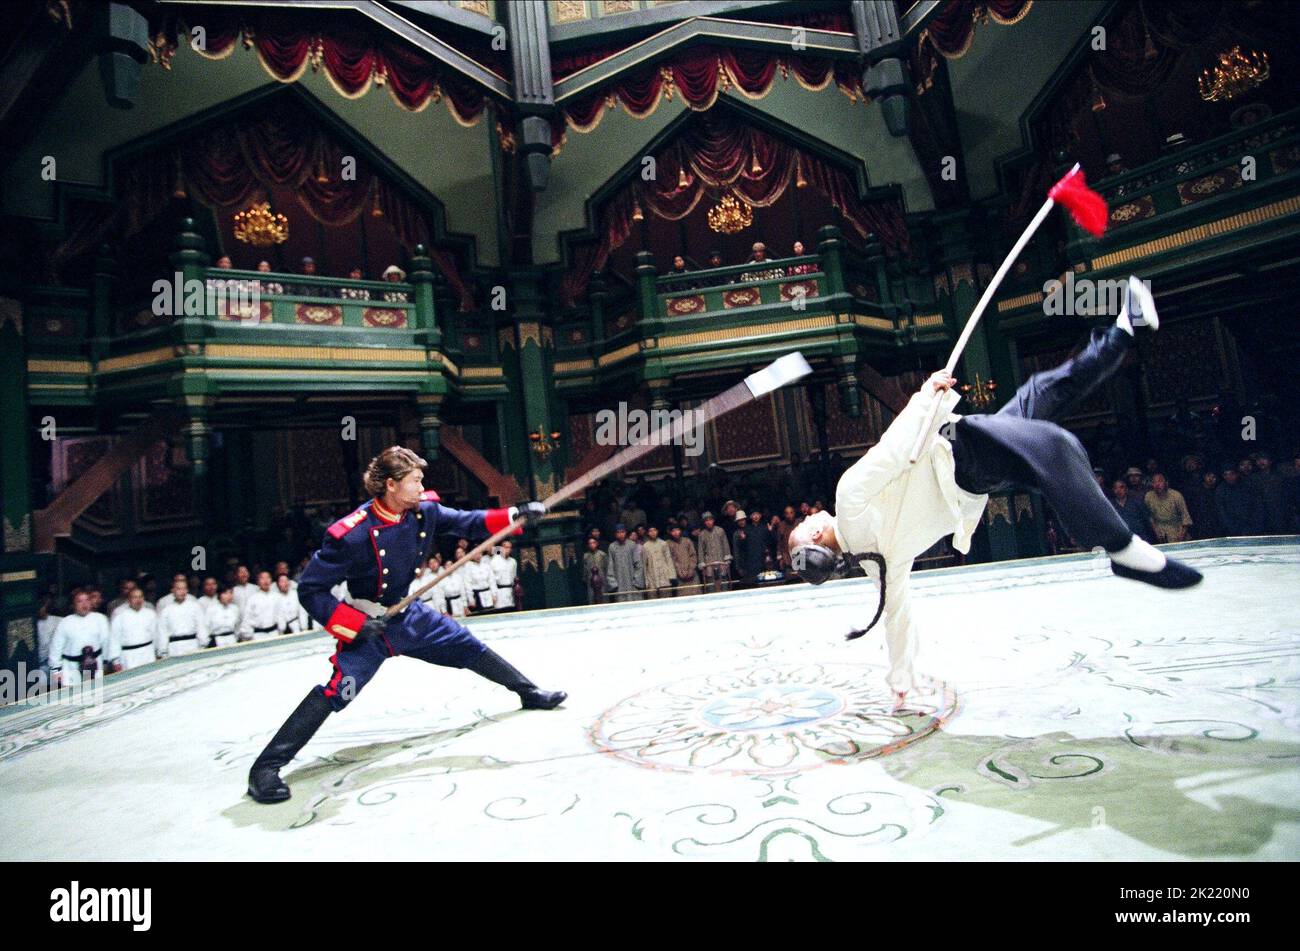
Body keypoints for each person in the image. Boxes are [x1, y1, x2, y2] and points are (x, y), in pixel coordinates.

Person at [788, 276, 1201, 710]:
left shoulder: (877, 564)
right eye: (805, 523)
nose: (810, 515)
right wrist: (925, 396)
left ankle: (1124, 328)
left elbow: (898, 616)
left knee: (1042, 392)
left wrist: (901, 678)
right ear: (816, 536)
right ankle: (1122, 548)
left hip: (973, 478)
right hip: (961, 453)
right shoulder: (848, 498)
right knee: (1053, 445)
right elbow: (893, 451)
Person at [246, 446, 560, 804]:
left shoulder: (424, 512)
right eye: (415, 480)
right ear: (392, 485)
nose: (422, 487)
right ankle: (265, 770)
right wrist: (352, 625)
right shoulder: (351, 534)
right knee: (340, 691)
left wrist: (516, 514)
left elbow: (468, 522)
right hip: (368, 626)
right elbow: (311, 590)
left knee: (467, 645)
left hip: (409, 616)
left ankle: (528, 692)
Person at [49, 590, 115, 687]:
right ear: (73, 605)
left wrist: (106, 661)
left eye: (87, 600)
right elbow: (56, 648)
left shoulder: (100, 619)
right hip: (72, 667)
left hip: (96, 665)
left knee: (97, 691)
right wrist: (56, 670)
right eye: (80, 601)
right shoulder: (65, 623)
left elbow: (106, 642)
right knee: (74, 694)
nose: (84, 604)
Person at [157, 578, 208, 658]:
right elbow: (163, 631)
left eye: (184, 589)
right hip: (174, 647)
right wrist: (163, 649)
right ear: (173, 591)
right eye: (179, 589)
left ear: (187, 590)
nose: (182, 592)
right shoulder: (166, 610)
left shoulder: (195, 606)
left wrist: (203, 642)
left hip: (192, 644)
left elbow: (200, 625)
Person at [109, 587, 158, 670]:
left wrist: (158, 651)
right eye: (135, 597)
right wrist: (115, 660)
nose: (138, 600)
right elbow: (114, 638)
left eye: (140, 597)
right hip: (129, 656)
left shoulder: (150, 614)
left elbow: (156, 634)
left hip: (148, 653)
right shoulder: (120, 616)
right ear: (129, 600)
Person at [1144, 473, 1192, 543]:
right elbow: (1149, 516)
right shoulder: (1148, 496)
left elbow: (1186, 519)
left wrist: (1181, 538)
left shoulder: (1176, 496)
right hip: (1159, 533)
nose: (1157, 484)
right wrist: (1156, 531)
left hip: (1177, 531)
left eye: (1160, 481)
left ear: (1166, 482)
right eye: (1154, 482)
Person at [606, 524, 644, 602]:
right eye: (618, 532)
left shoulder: (632, 545)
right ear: (615, 534)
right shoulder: (612, 547)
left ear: (625, 533)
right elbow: (610, 566)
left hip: (632, 582)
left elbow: (638, 564)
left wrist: (636, 582)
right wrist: (613, 584)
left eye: (622, 532)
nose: (621, 534)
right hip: (619, 583)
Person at [696, 511, 731, 591]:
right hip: (709, 564)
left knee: (724, 585)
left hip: (721, 561)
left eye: (710, 520)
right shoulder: (702, 534)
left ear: (713, 520)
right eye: (706, 520)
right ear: (704, 522)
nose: (709, 522)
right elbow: (700, 550)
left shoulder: (720, 530)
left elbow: (725, 545)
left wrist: (727, 560)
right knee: (711, 587)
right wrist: (702, 564)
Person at [240, 571, 281, 640]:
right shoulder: (252, 599)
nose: (265, 580)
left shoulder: (276, 596)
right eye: (262, 578)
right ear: (258, 582)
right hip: (258, 635)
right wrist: (248, 634)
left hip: (274, 632)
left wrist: (281, 629)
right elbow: (247, 618)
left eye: (268, 578)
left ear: (271, 580)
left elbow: (280, 615)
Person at [641, 525, 677, 599]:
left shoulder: (663, 543)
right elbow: (644, 565)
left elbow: (669, 560)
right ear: (648, 533)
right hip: (652, 576)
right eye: (650, 531)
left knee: (666, 598)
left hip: (664, 575)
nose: (653, 533)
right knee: (653, 599)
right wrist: (646, 580)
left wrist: (671, 575)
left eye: (654, 530)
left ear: (657, 531)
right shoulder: (645, 546)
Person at [665, 524, 698, 594]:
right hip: (678, 576)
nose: (676, 533)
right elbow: (670, 560)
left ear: (680, 531)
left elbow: (693, 556)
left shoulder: (687, 541)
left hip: (692, 574)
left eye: (677, 530)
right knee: (682, 595)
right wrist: (679, 572)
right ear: (670, 532)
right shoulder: (668, 544)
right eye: (673, 531)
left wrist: (690, 570)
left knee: (695, 594)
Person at [489, 541, 519, 611]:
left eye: (510, 548)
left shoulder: (513, 561)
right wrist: (493, 594)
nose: (508, 550)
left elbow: (514, 577)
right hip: (499, 592)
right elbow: (491, 580)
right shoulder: (494, 561)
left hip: (510, 592)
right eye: (506, 547)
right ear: (501, 548)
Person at [582, 536, 608, 604]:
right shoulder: (585, 556)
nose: (592, 545)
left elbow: (607, 567)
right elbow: (585, 570)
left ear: (597, 543)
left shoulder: (602, 554)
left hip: (602, 581)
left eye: (593, 543)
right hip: (590, 581)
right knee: (591, 598)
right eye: (590, 543)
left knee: (603, 599)